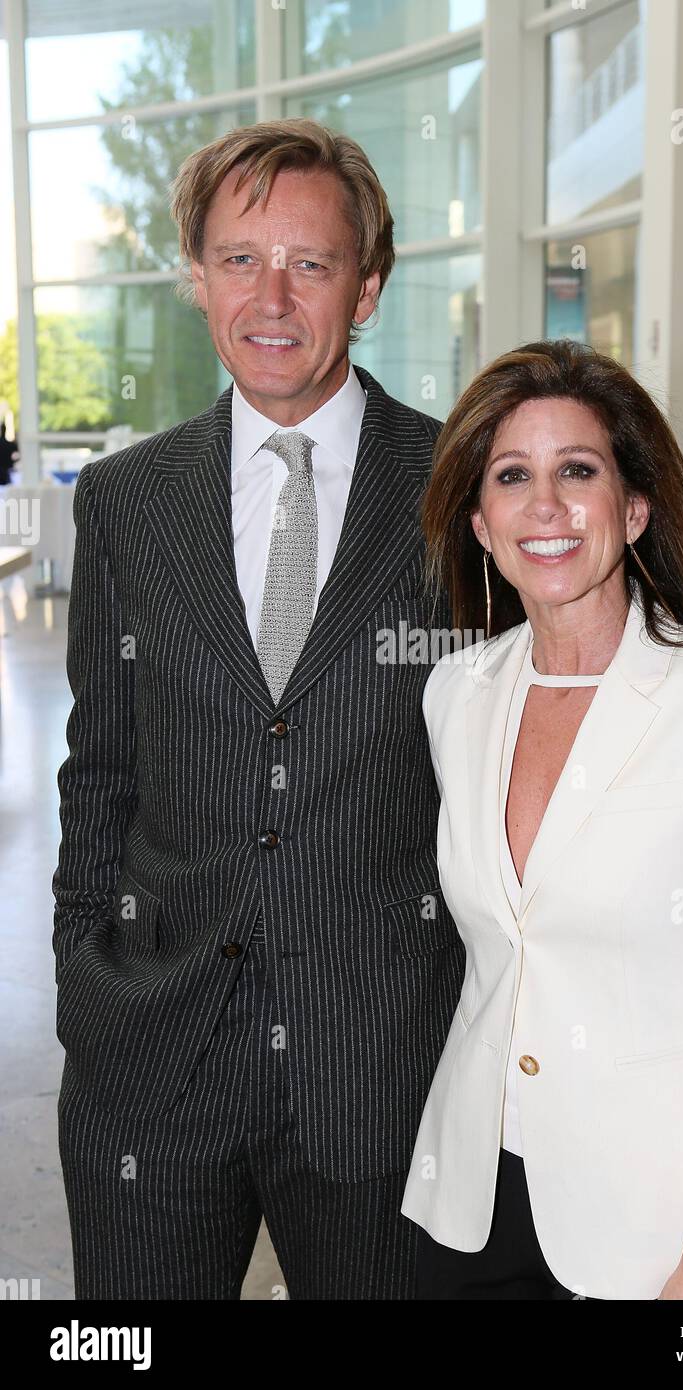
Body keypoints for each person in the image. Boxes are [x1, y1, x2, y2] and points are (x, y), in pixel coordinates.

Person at [52, 118, 464, 1300]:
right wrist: (89, 975)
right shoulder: (128, 501)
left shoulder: (455, 492)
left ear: (369, 288)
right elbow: (102, 769)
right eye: (239, 258)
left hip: (382, 1074)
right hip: (155, 1062)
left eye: (312, 262)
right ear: (196, 279)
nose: (271, 294)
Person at [401, 338, 683, 1300]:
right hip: (470, 1204)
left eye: (576, 471)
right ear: (479, 522)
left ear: (632, 511)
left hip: (654, 1229)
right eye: (512, 476)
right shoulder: (457, 695)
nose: (544, 506)